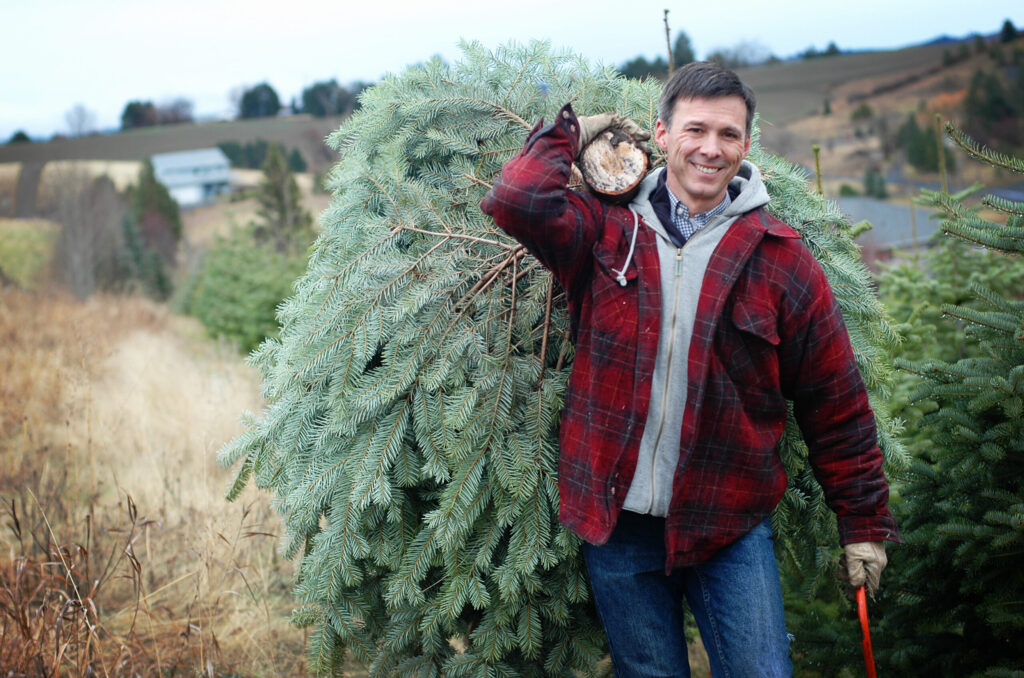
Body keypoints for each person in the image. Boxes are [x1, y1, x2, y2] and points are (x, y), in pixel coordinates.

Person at [480, 61, 897, 677]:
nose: (711, 148)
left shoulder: (781, 261)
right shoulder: (607, 230)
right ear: (663, 135)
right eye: (695, 129)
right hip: (618, 523)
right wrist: (571, 131)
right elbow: (517, 199)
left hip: (728, 520)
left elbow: (836, 403)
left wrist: (862, 523)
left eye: (728, 134)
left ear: (746, 146)